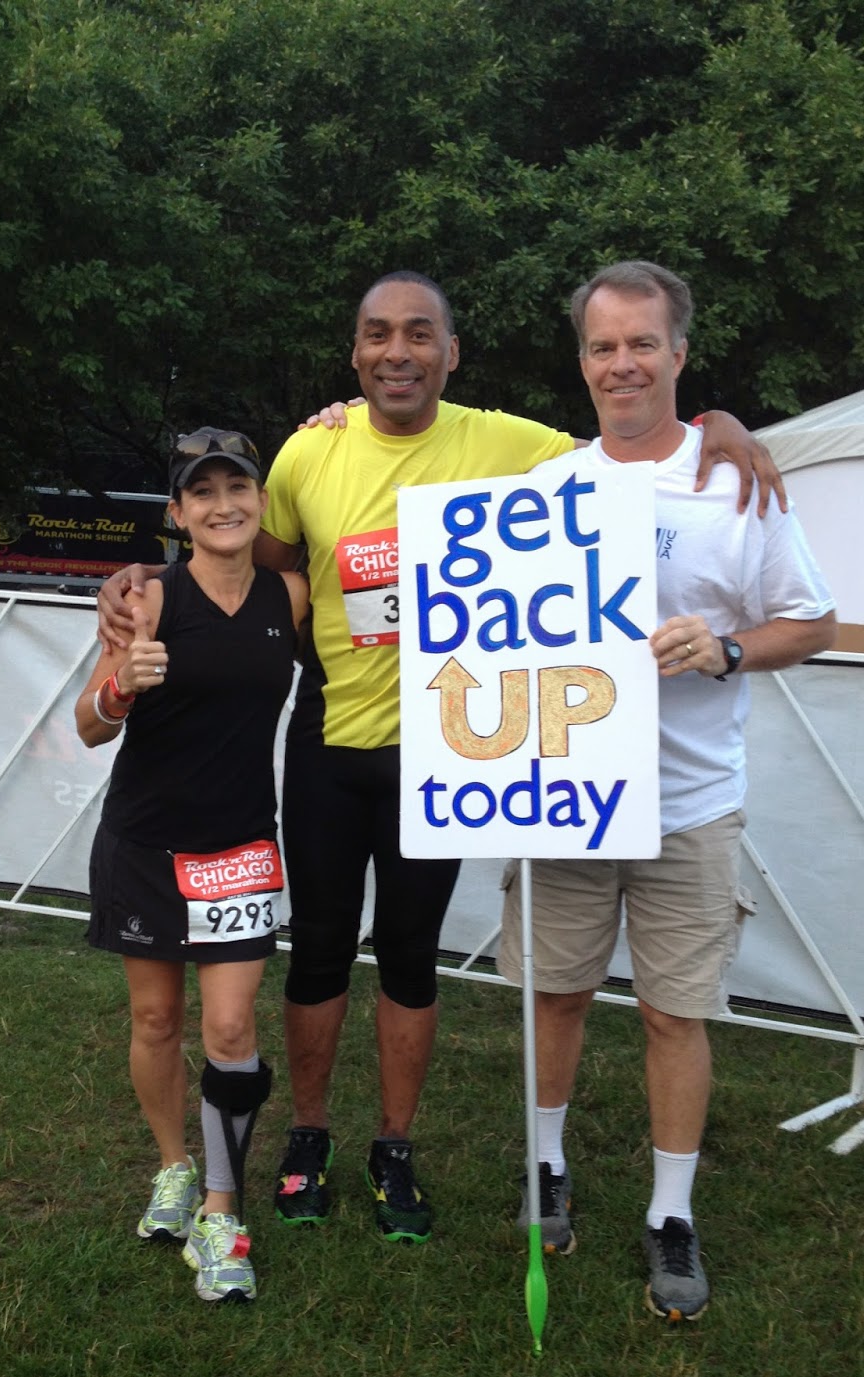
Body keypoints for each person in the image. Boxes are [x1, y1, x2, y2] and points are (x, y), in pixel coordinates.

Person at [96, 271, 784, 1246]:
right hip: (331, 742)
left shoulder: (507, 442)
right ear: (355, 354)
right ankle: (310, 1137)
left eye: (420, 334)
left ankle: (395, 1145)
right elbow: (251, 562)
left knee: (411, 959)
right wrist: (138, 583)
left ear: (451, 352)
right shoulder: (307, 450)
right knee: (321, 953)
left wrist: (721, 422)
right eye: (378, 335)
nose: (399, 351)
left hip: (446, 757)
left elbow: (630, 446)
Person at [497, 261, 836, 1320]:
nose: (623, 363)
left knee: (671, 1013)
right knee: (553, 993)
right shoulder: (549, 486)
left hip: (689, 802)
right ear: (583, 360)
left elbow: (812, 620)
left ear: (680, 354)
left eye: (643, 342)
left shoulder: (739, 480)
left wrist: (727, 648)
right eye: (603, 345)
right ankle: (545, 1168)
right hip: (570, 796)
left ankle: (670, 1212)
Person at [76, 428, 308, 1303]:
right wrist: (122, 686)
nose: (223, 505)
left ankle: (219, 1209)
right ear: (176, 516)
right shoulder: (148, 600)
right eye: (201, 493)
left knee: (231, 1035)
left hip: (242, 846)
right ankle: (173, 1164)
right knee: (153, 1023)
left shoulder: (292, 596)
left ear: (259, 503)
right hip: (146, 843)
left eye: (236, 488)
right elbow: (88, 725)